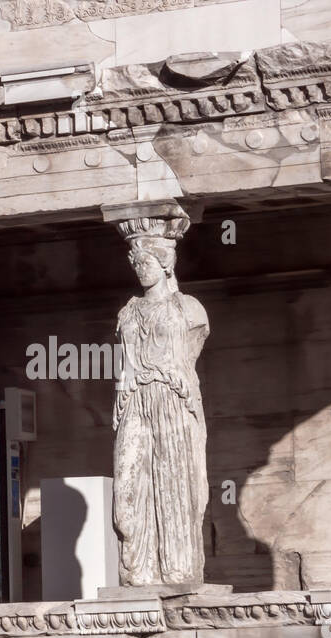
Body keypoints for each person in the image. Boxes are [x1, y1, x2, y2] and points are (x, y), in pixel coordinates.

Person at [112, 234, 210, 586]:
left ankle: (176, 569)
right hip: (134, 399)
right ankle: (138, 568)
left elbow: (191, 354)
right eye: (136, 263)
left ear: (166, 264)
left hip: (171, 397)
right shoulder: (128, 311)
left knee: (173, 483)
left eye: (147, 262)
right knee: (127, 490)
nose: (140, 269)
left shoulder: (189, 309)